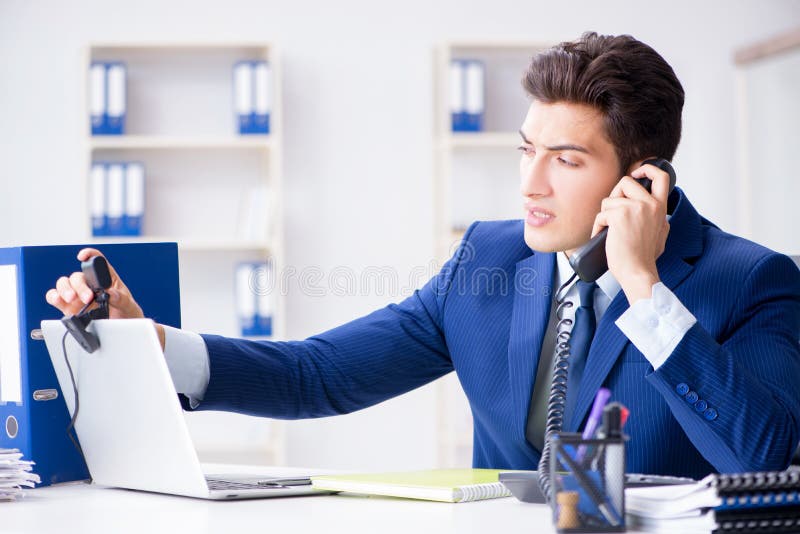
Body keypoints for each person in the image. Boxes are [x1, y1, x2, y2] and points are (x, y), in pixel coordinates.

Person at [47, 32, 800, 479]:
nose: (530, 185)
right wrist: (150, 347)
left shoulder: (751, 282)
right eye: (525, 150)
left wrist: (642, 286)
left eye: (566, 161)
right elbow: (321, 373)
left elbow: (765, 458)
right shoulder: (488, 261)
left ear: (641, 177)